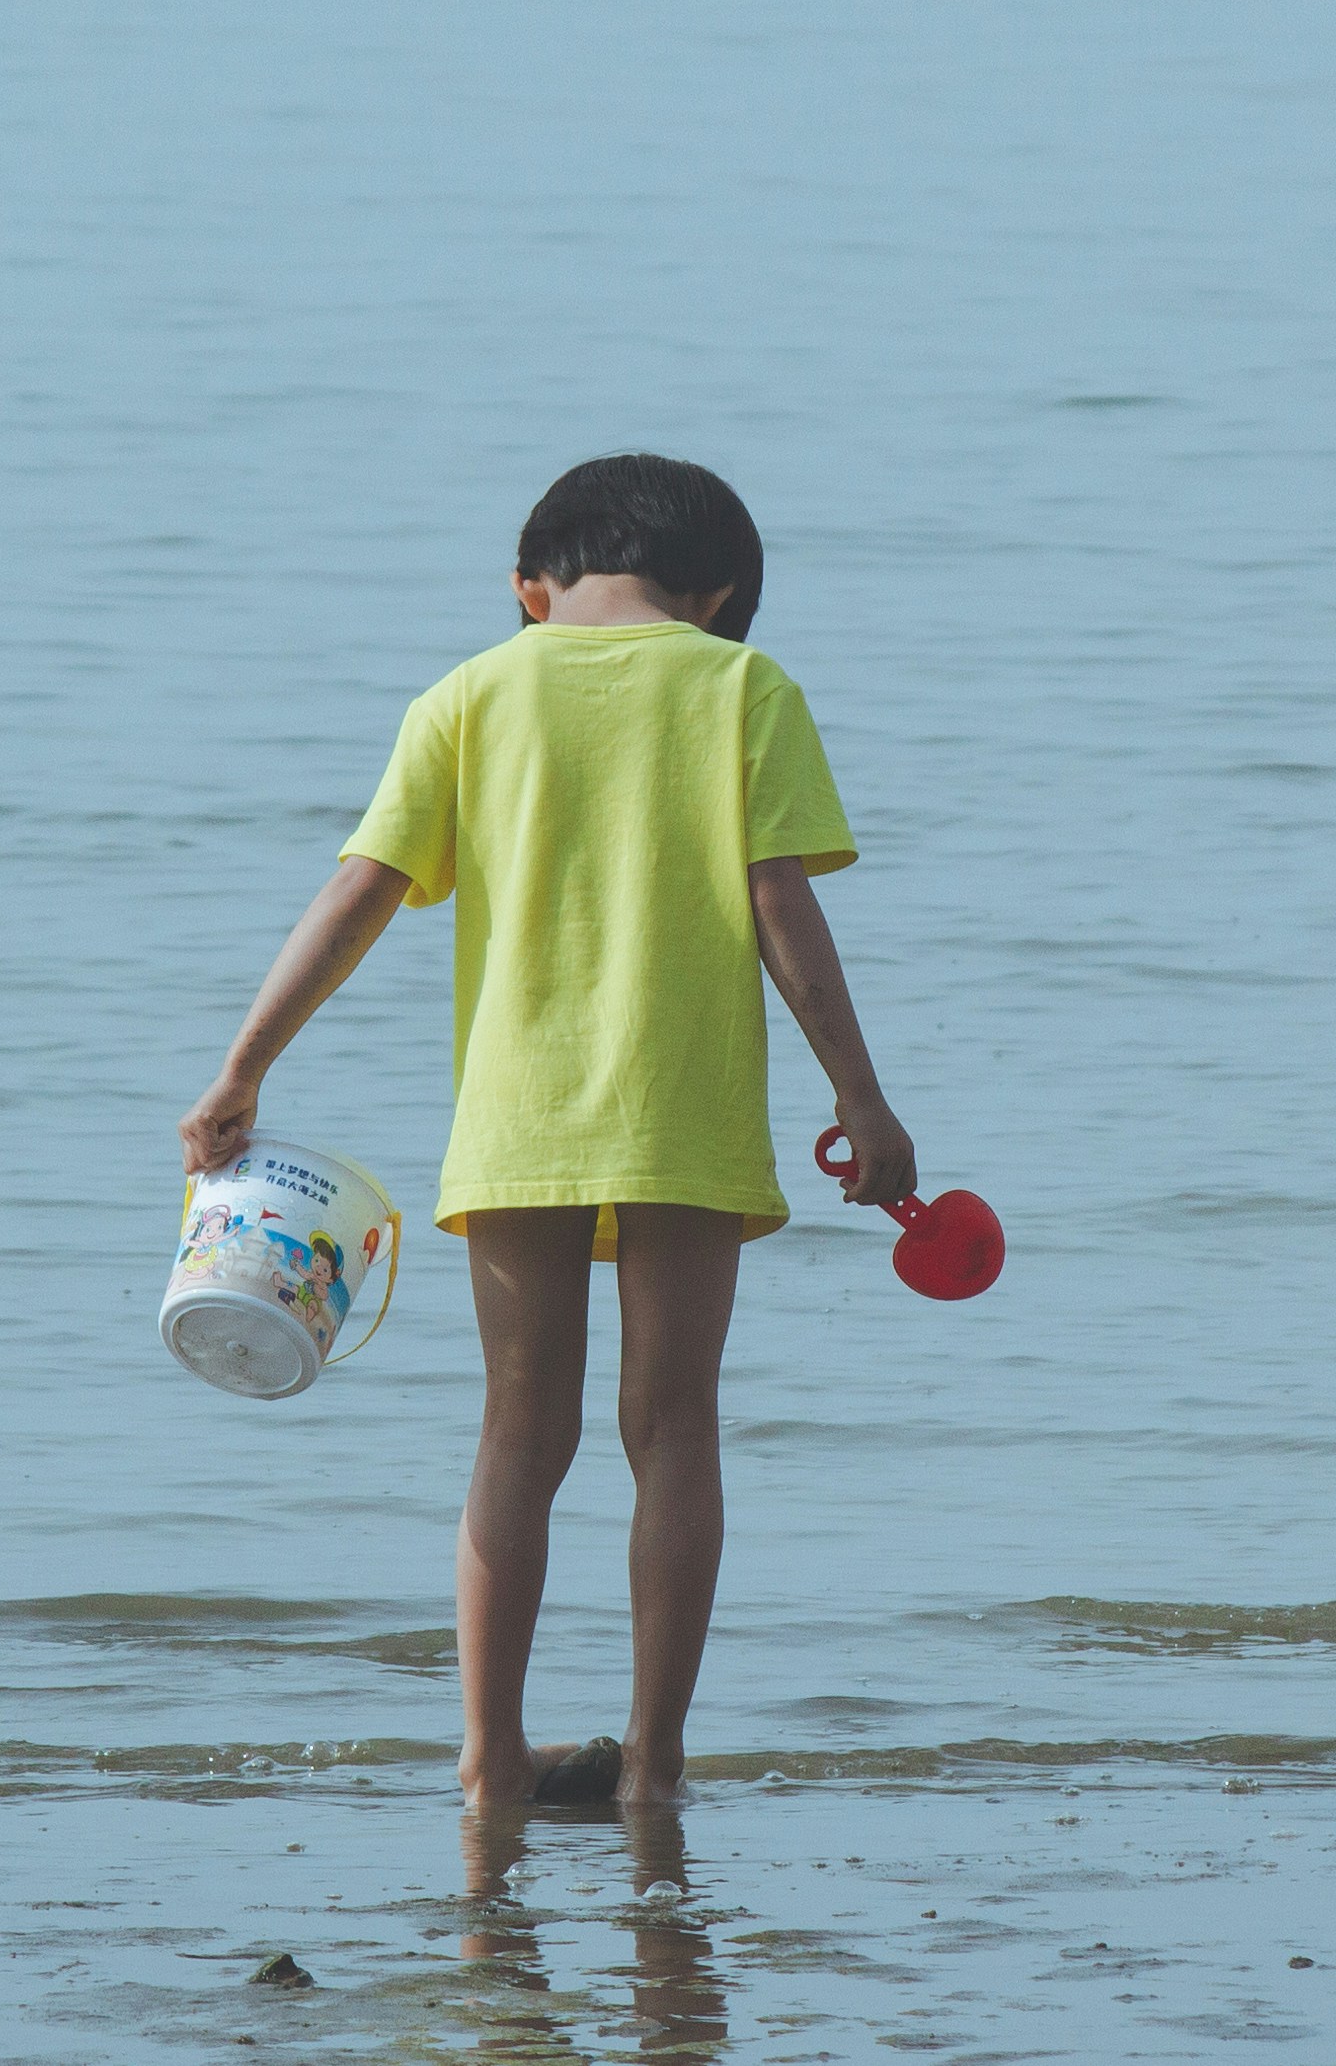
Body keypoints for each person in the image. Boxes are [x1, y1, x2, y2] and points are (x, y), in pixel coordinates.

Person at [179, 453, 920, 1812]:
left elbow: (359, 890)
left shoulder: (468, 694)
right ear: (718, 595)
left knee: (519, 1436)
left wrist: (242, 1069)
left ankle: (485, 1761)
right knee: (673, 1425)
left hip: (514, 1124)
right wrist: (858, 1097)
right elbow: (781, 909)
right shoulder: (742, 688)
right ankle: (653, 1766)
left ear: (530, 586)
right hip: (684, 1112)